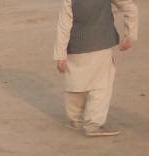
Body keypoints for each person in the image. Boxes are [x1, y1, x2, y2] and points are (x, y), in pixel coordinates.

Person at [54, 0, 138, 137]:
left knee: (75, 80)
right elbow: (131, 8)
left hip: (75, 45)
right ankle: (93, 124)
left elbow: (63, 25)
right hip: (101, 41)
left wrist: (60, 55)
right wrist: (130, 35)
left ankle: (76, 119)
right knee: (101, 84)